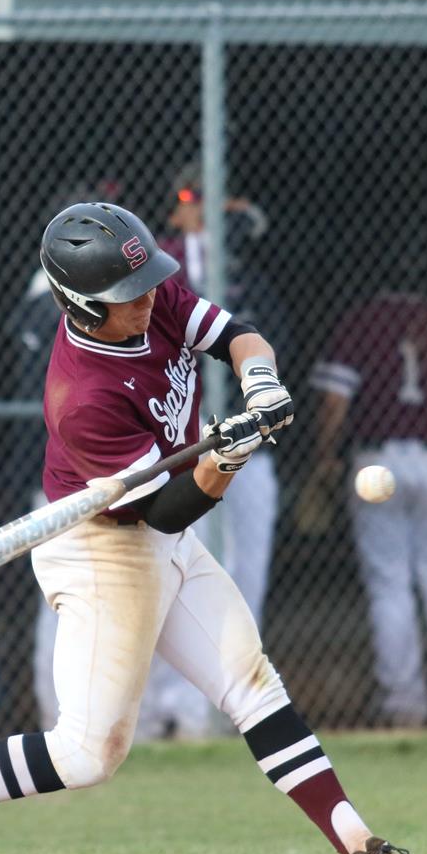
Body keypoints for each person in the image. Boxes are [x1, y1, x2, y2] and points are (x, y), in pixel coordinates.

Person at [0, 202, 427, 854]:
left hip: (162, 531)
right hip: (101, 550)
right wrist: (226, 460)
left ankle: (359, 848)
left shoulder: (149, 296)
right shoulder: (83, 396)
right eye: (129, 296)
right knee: (88, 753)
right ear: (83, 306)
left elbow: (237, 335)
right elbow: (165, 507)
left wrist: (261, 385)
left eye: (150, 282)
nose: (150, 298)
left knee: (252, 684)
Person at [305, 257, 427, 726]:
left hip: (378, 463)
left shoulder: (360, 321)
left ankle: (404, 702)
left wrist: (326, 457)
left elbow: (335, 401)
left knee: (389, 581)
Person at [154, 164, 291, 737]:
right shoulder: (155, 268)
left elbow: (267, 334)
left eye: (213, 198)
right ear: (174, 209)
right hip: (182, 450)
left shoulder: (242, 271)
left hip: (246, 440)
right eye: (192, 198)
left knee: (245, 573)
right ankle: (168, 711)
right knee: (174, 572)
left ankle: (233, 705)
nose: (203, 208)